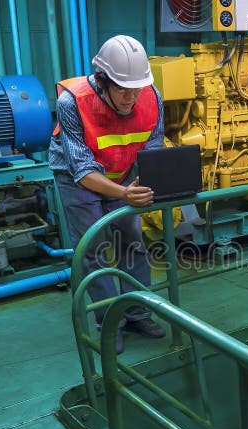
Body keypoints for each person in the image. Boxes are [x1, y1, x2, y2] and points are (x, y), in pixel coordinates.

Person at [48, 35, 166, 354]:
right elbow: (83, 169)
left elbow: (153, 149)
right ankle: (109, 321)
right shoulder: (72, 103)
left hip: (123, 170)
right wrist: (124, 193)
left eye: (136, 88)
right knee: (93, 246)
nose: (131, 98)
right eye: (122, 89)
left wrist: (143, 182)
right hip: (77, 176)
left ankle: (138, 311)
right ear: (102, 80)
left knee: (131, 240)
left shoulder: (151, 96)